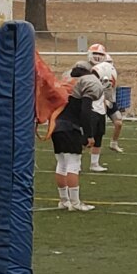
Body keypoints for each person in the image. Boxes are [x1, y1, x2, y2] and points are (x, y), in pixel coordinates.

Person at [53, 63, 104, 210]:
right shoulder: (88, 82)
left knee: (61, 163)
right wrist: (89, 135)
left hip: (57, 124)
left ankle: (64, 200)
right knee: (73, 163)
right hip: (70, 126)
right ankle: (75, 203)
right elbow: (85, 111)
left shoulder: (67, 81)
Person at [86, 60, 116, 172]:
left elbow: (107, 98)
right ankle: (76, 162)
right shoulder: (90, 80)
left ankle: (94, 163)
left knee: (99, 138)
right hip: (92, 110)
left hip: (101, 112)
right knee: (87, 139)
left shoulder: (105, 81)